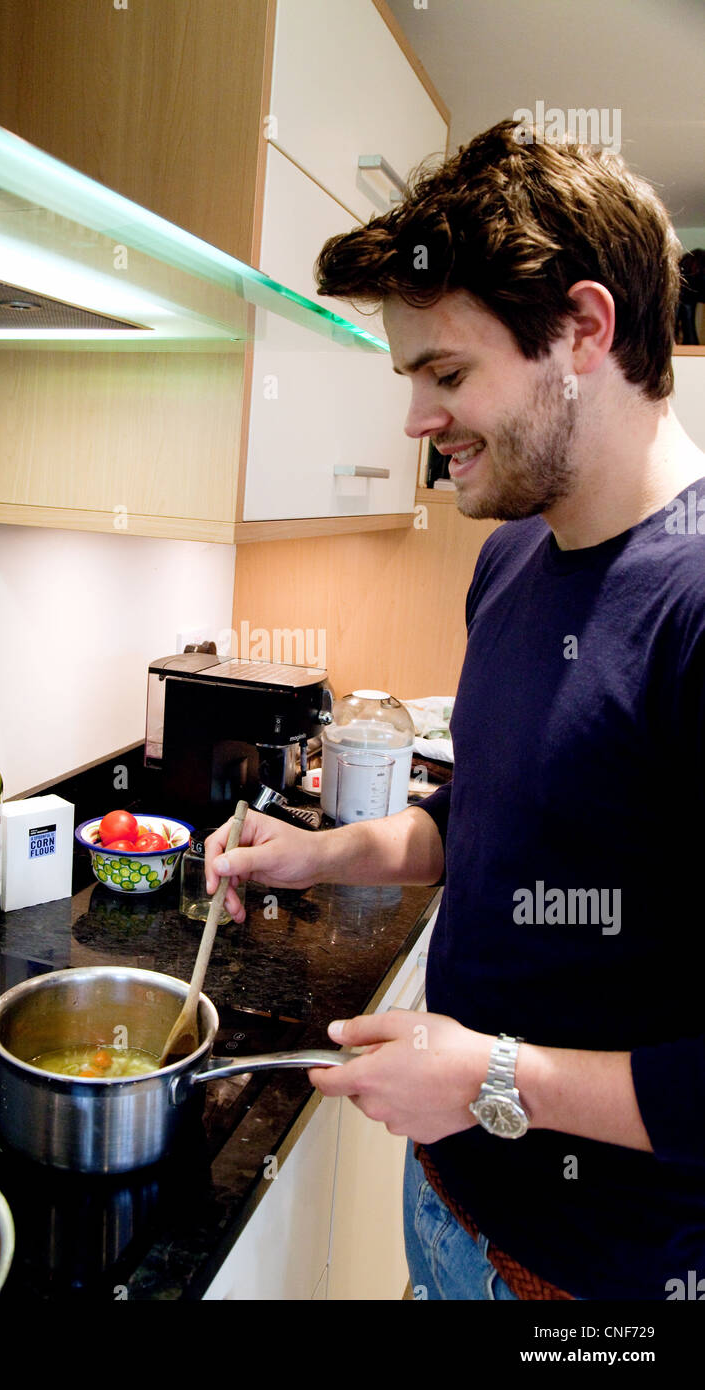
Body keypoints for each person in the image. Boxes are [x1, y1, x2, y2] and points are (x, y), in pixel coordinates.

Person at [205, 120, 705, 1301]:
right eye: (408, 378)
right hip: (447, 1213)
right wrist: (325, 849)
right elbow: (486, 812)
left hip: (604, 1280)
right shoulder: (512, 561)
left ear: (582, 331)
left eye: (444, 373)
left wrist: (493, 1080)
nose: (416, 421)